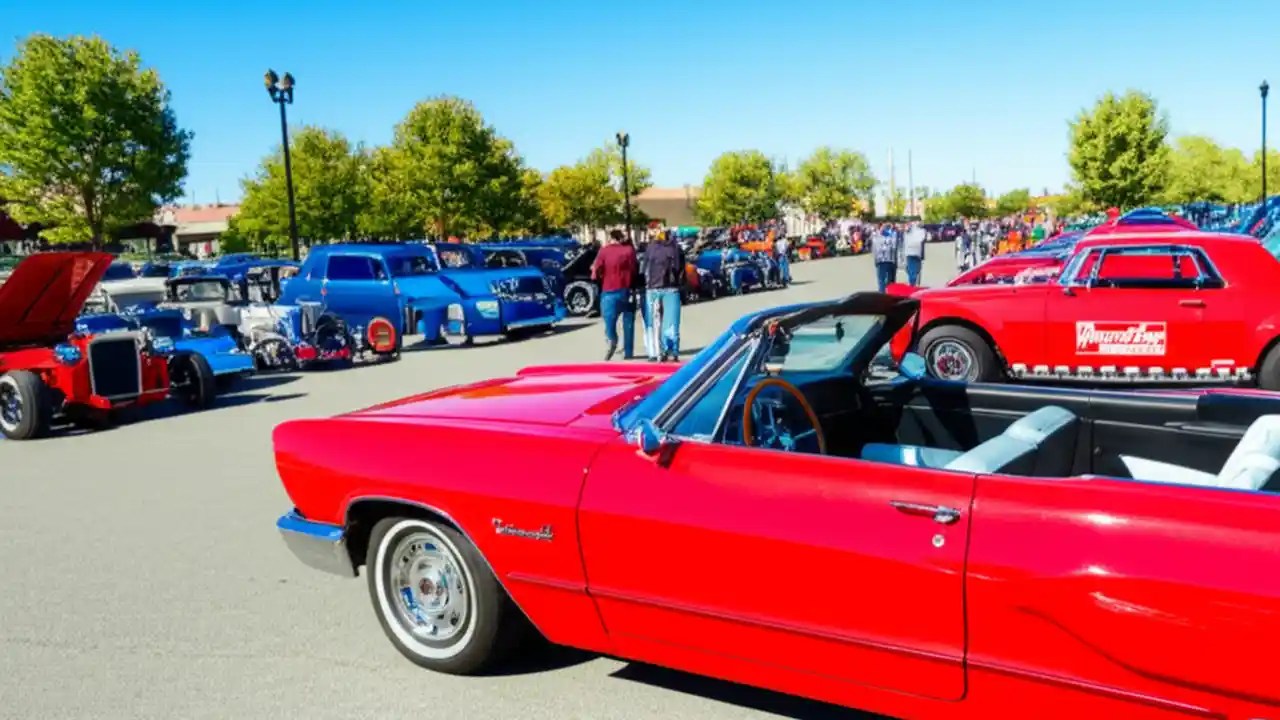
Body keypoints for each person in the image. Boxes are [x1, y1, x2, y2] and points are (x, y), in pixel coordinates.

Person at [591, 229, 638, 360]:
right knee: (628, 321)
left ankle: (612, 339)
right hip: (626, 290)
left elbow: (596, 270)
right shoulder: (629, 250)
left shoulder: (604, 251)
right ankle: (628, 352)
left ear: (610, 238)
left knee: (609, 321)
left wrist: (600, 276)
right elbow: (634, 269)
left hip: (609, 290)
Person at [643, 229, 686, 362]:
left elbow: (644, 268)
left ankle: (655, 352)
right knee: (671, 321)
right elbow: (681, 269)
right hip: (671, 288)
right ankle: (672, 350)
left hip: (653, 289)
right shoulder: (675, 248)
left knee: (653, 323)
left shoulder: (650, 248)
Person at [871, 225, 900, 292]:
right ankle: (889, 295)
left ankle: (882, 295)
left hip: (881, 260)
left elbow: (874, 249)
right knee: (890, 281)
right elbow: (894, 247)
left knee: (881, 280)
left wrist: (875, 260)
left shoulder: (875, 235)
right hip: (890, 259)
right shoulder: (893, 234)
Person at [902, 222, 927, 286]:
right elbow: (906, 228)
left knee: (917, 270)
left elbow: (924, 237)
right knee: (913, 273)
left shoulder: (921, 230)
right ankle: (912, 286)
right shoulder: (909, 228)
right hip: (910, 253)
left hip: (917, 253)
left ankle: (914, 284)